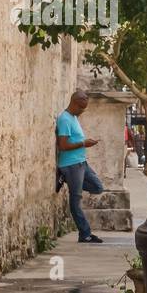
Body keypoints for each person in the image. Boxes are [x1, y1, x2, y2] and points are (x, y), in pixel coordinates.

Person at [56, 90, 104, 244]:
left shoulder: (74, 117)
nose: (83, 111)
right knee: (75, 200)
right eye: (81, 108)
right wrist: (84, 143)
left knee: (97, 187)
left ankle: (68, 180)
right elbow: (62, 145)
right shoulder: (64, 119)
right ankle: (85, 234)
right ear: (74, 103)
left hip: (81, 163)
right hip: (71, 164)